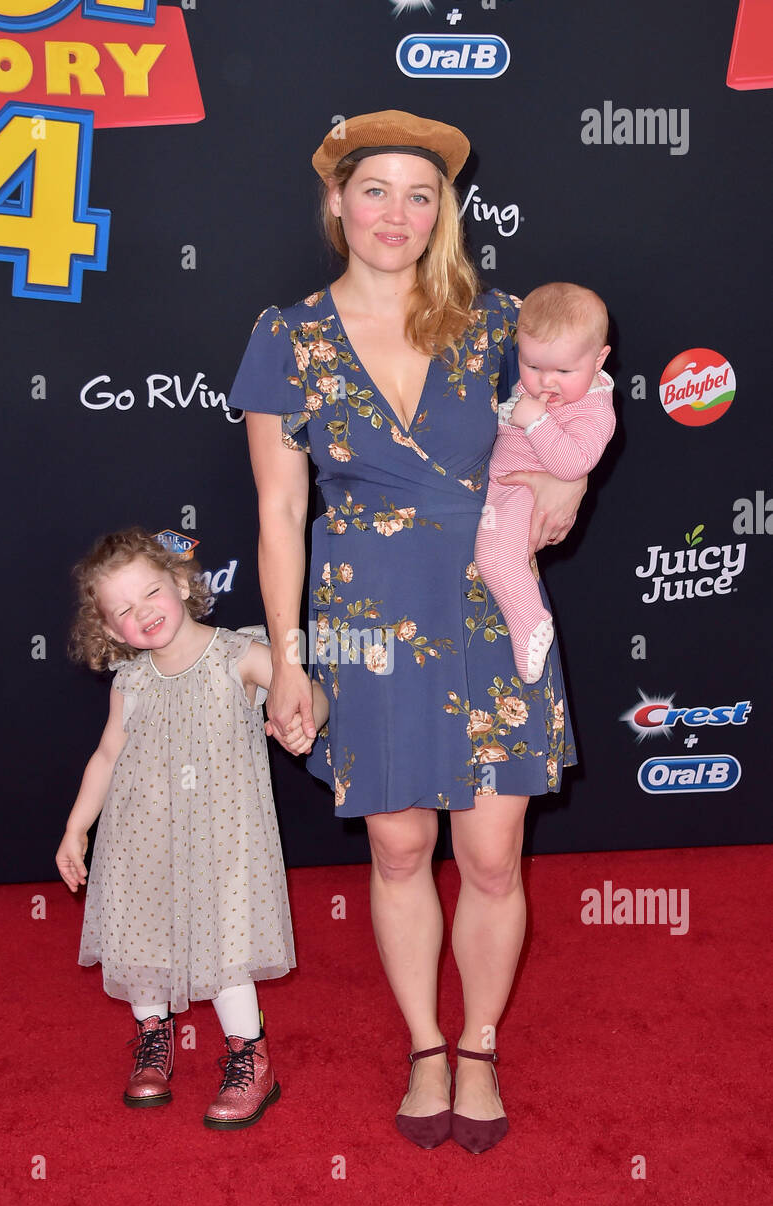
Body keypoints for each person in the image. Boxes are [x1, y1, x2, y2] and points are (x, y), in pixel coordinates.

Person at [229, 111, 589, 1153]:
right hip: (361, 612)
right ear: (336, 202)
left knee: (490, 853)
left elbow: (581, 391)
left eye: (418, 194)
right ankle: (423, 1043)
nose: (396, 213)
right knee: (396, 848)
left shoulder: (497, 320)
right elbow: (278, 515)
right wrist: (288, 658)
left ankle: (477, 1043)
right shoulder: (284, 336)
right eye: (373, 190)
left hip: (484, 602)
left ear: (444, 214)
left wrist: (562, 467)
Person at [55, 526, 328, 1128]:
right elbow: (106, 756)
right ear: (107, 630)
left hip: (224, 845)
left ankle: (248, 1058)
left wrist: (306, 718)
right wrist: (77, 829)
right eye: (122, 610)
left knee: (227, 949)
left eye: (151, 593)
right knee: (143, 939)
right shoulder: (130, 682)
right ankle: (153, 1039)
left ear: (181, 583)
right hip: (140, 841)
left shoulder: (237, 655)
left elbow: (304, 690)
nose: (142, 613)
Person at [475, 282, 615, 683]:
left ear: (600, 359)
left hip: (524, 491)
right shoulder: (546, 386)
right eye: (532, 366)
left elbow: (573, 464)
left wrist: (534, 420)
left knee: (495, 557)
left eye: (564, 371)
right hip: (504, 487)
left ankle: (531, 623)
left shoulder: (593, 408)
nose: (546, 382)